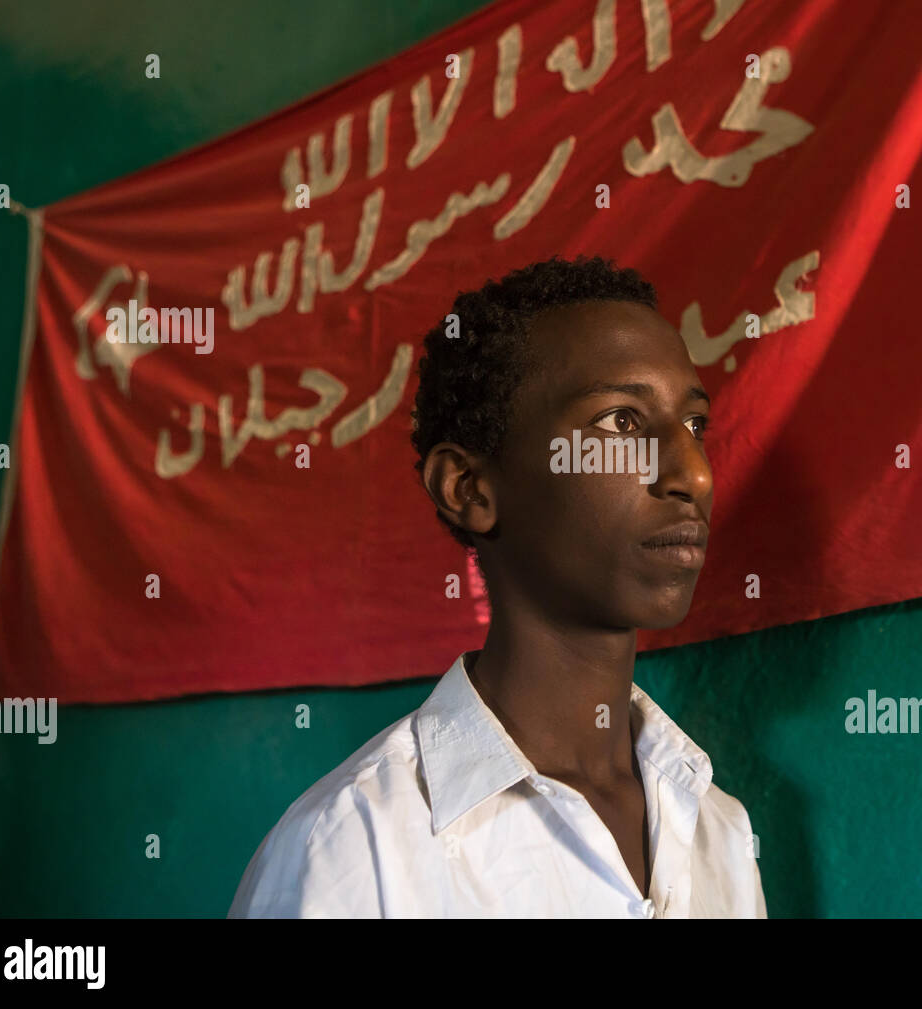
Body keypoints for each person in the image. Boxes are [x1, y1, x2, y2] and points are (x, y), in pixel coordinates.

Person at [229, 254, 766, 918]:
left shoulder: (718, 829)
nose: (694, 474)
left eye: (693, 426)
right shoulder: (353, 851)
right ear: (471, 489)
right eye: (621, 422)